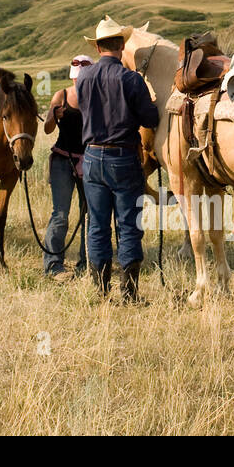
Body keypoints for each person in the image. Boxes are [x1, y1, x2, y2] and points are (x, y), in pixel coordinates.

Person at [75, 16, 159, 302]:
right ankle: (129, 292)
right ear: (122, 45)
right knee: (128, 224)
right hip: (123, 157)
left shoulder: (84, 78)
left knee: (97, 224)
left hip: (91, 157)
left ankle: (101, 291)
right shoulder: (131, 79)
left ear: (98, 48)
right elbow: (151, 118)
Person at [40, 55, 92, 277]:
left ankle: (85, 264)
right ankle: (53, 264)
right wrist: (53, 114)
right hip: (63, 159)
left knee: (88, 215)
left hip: (89, 159)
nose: (78, 82)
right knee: (60, 214)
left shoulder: (97, 98)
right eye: (76, 78)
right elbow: (48, 129)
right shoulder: (60, 96)